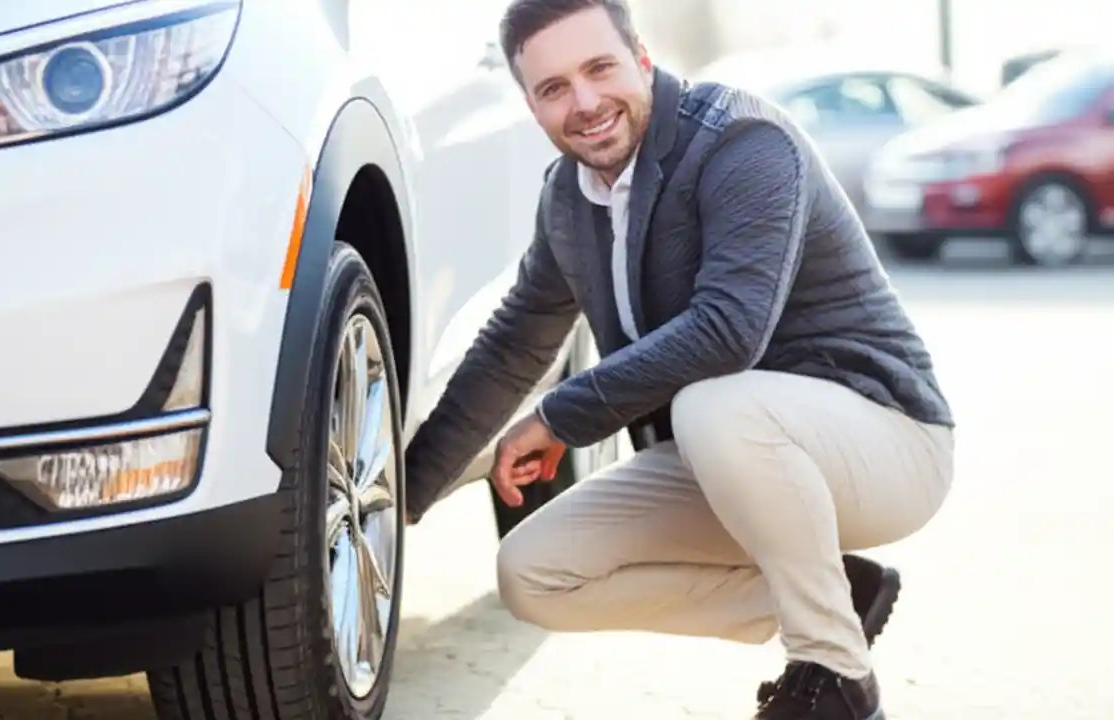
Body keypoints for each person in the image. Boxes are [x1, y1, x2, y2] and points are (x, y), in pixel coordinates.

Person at [402, 1, 955, 718]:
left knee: (714, 402)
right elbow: (512, 346)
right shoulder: (567, 200)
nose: (586, 102)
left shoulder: (742, 142)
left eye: (599, 68)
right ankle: (833, 593)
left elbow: (729, 332)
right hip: (729, 457)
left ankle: (836, 679)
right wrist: (397, 501)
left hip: (885, 443)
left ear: (641, 58)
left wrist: (560, 416)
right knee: (532, 573)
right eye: (554, 88)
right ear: (531, 105)